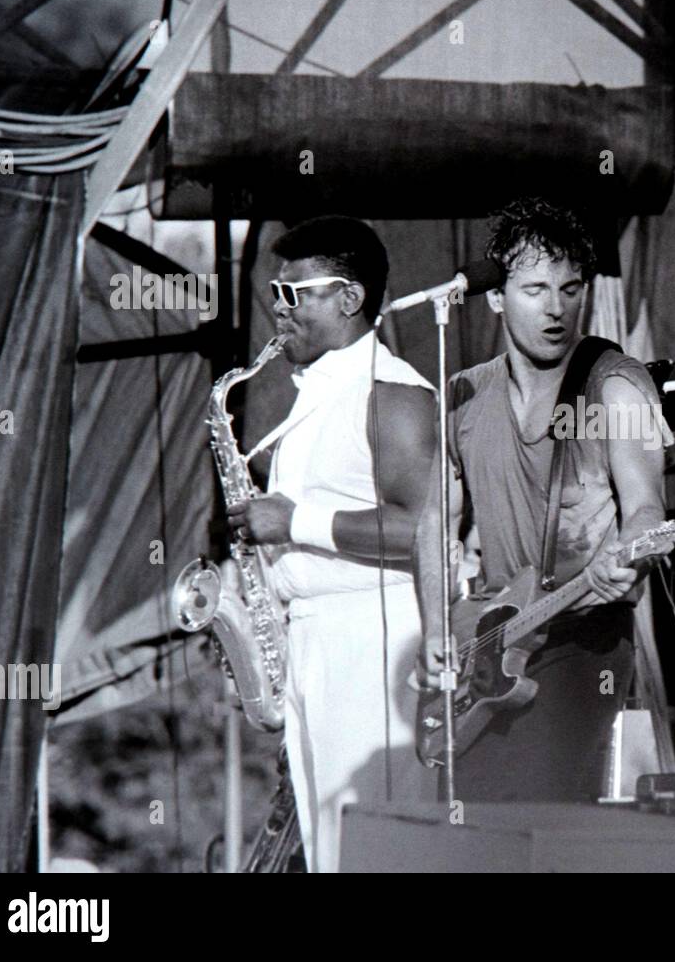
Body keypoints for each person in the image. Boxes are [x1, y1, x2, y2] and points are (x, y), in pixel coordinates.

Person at [416, 197, 670, 801]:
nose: (556, 308)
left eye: (570, 288)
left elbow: (647, 510)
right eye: (534, 289)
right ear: (497, 296)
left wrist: (629, 556)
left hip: (584, 640)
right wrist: (434, 628)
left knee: (535, 816)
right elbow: (433, 524)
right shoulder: (465, 392)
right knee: (469, 823)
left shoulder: (616, 384)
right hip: (492, 641)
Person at [227, 215, 437, 871]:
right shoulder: (316, 393)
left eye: (295, 293)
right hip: (318, 640)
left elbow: (426, 530)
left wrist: (295, 522)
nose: (276, 307)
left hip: (373, 645)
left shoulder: (394, 392)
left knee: (376, 854)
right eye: (274, 291)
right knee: (329, 856)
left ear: (349, 298)